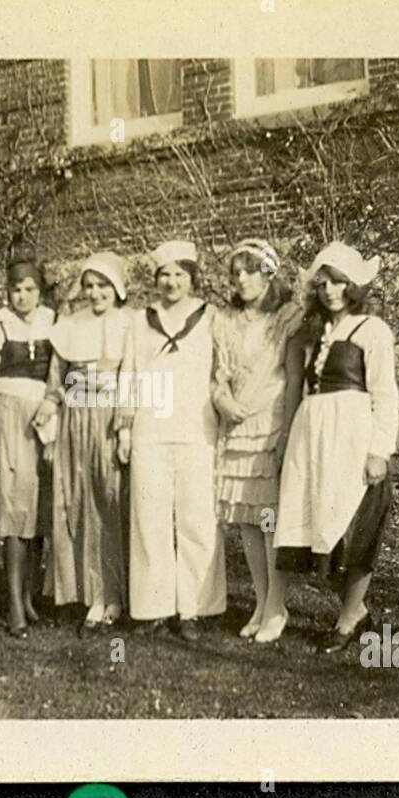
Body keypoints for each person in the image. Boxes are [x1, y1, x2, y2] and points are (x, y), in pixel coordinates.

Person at [273, 240, 399, 652]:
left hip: (352, 434)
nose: (330, 291)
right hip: (313, 436)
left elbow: (386, 394)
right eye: (323, 283)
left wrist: (379, 450)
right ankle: (356, 612)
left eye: (339, 282)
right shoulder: (313, 334)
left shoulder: (372, 330)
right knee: (318, 529)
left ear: (354, 286)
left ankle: (348, 620)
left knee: (354, 526)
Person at [121, 240, 227, 641]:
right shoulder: (139, 319)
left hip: (197, 427)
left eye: (180, 274)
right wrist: (125, 426)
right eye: (164, 274)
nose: (171, 281)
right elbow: (129, 374)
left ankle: (196, 609)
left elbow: (222, 369)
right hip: (151, 427)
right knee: (150, 517)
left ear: (192, 278)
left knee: (197, 517)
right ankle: (152, 606)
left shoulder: (210, 315)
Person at [33, 252, 132, 635]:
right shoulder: (70, 325)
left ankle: (115, 594)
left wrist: (125, 425)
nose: (95, 293)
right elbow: (57, 379)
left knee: (109, 502)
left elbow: (132, 375)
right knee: (77, 501)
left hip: (108, 419)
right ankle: (87, 593)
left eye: (102, 285)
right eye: (89, 286)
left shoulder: (129, 324)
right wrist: (50, 405)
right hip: (75, 420)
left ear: (117, 288)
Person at [211, 239, 304, 643]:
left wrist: (277, 420)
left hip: (270, 420)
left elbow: (292, 375)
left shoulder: (287, 318)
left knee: (268, 518)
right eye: (236, 273)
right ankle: (261, 600)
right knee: (247, 518)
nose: (242, 279)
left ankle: (276, 606)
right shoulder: (225, 320)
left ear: (269, 273)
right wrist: (223, 400)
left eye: (250, 271)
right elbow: (218, 373)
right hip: (237, 425)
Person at [0, 258, 56, 638]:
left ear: (40, 291)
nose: (22, 296)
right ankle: (12, 604)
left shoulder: (53, 322)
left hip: (45, 419)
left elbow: (62, 376)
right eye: (15, 288)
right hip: (8, 419)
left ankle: (28, 596)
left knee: (39, 509)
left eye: (29, 289)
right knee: (14, 510)